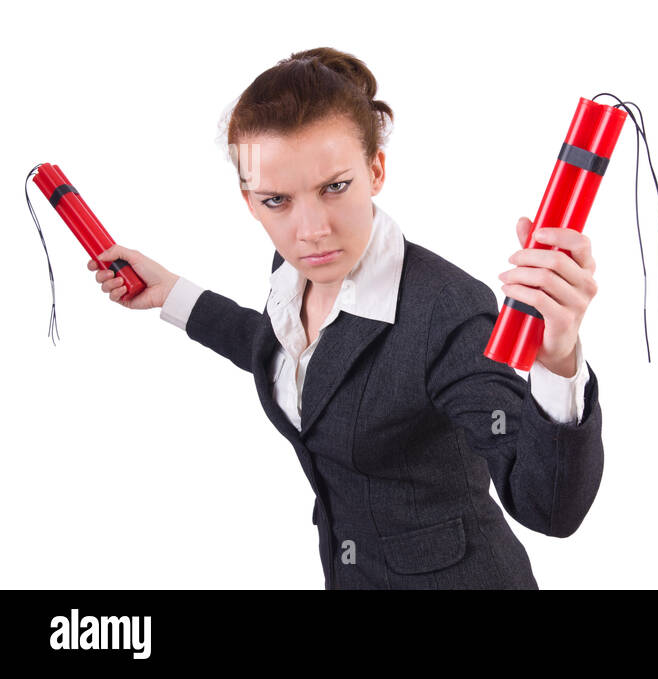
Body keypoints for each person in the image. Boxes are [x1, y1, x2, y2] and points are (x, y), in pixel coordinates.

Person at [87, 47, 604, 589]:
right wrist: (171, 293)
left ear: (376, 170)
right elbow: (289, 355)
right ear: (249, 201)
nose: (310, 230)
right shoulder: (293, 274)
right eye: (277, 200)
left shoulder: (446, 307)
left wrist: (559, 358)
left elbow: (548, 507)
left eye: (334, 187)